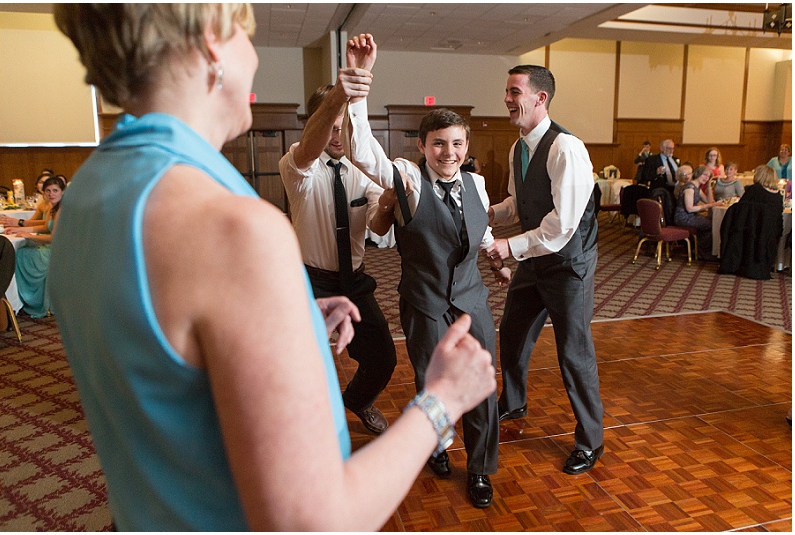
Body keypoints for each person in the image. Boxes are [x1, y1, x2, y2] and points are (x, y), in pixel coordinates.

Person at [48, 6, 496, 531]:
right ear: (212, 45)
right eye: (245, 31)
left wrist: (292, 318)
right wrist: (442, 401)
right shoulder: (236, 228)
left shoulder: (84, 195)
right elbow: (317, 521)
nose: (254, 54)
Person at [344, 34, 508, 509]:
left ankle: (480, 468)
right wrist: (360, 89)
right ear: (422, 145)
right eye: (439, 144)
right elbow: (364, 152)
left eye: (457, 143)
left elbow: (477, 237)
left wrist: (496, 261)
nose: (449, 153)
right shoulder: (409, 177)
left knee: (481, 382)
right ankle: (437, 444)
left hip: (472, 300)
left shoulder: (476, 182)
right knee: (431, 382)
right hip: (425, 301)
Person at [486, 64, 605, 476]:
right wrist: (489, 214)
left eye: (514, 91)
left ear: (541, 98)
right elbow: (519, 205)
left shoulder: (566, 148)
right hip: (534, 259)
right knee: (514, 334)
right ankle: (514, 401)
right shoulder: (517, 147)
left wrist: (509, 246)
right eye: (506, 90)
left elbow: (561, 225)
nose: (507, 99)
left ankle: (591, 440)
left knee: (574, 351)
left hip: (568, 264)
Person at [278, 81, 398, 435]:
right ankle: (302, 424)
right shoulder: (297, 163)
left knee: (383, 358)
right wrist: (336, 100)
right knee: (301, 365)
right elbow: (307, 151)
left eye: (344, 127)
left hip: (355, 281)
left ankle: (358, 401)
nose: (338, 136)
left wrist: (390, 204)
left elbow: (377, 225)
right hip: (309, 281)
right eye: (330, 126)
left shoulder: (365, 168)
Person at [12, 175, 65, 318]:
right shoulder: (54, 208)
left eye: (55, 190)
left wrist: (28, 236)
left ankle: (26, 300)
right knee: (22, 249)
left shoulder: (62, 209)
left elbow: (54, 238)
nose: (51, 194)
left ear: (62, 192)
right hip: (52, 248)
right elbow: (43, 227)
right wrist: (18, 230)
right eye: (48, 191)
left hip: (60, 252)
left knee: (19, 254)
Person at [674, 165, 721, 260]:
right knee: (713, 225)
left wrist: (708, 186)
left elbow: (709, 202)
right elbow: (689, 209)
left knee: (712, 221)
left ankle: (700, 250)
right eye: (704, 175)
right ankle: (702, 252)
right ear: (698, 174)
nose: (706, 178)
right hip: (683, 217)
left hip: (691, 216)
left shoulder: (697, 188)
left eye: (708, 176)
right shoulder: (690, 188)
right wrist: (709, 206)